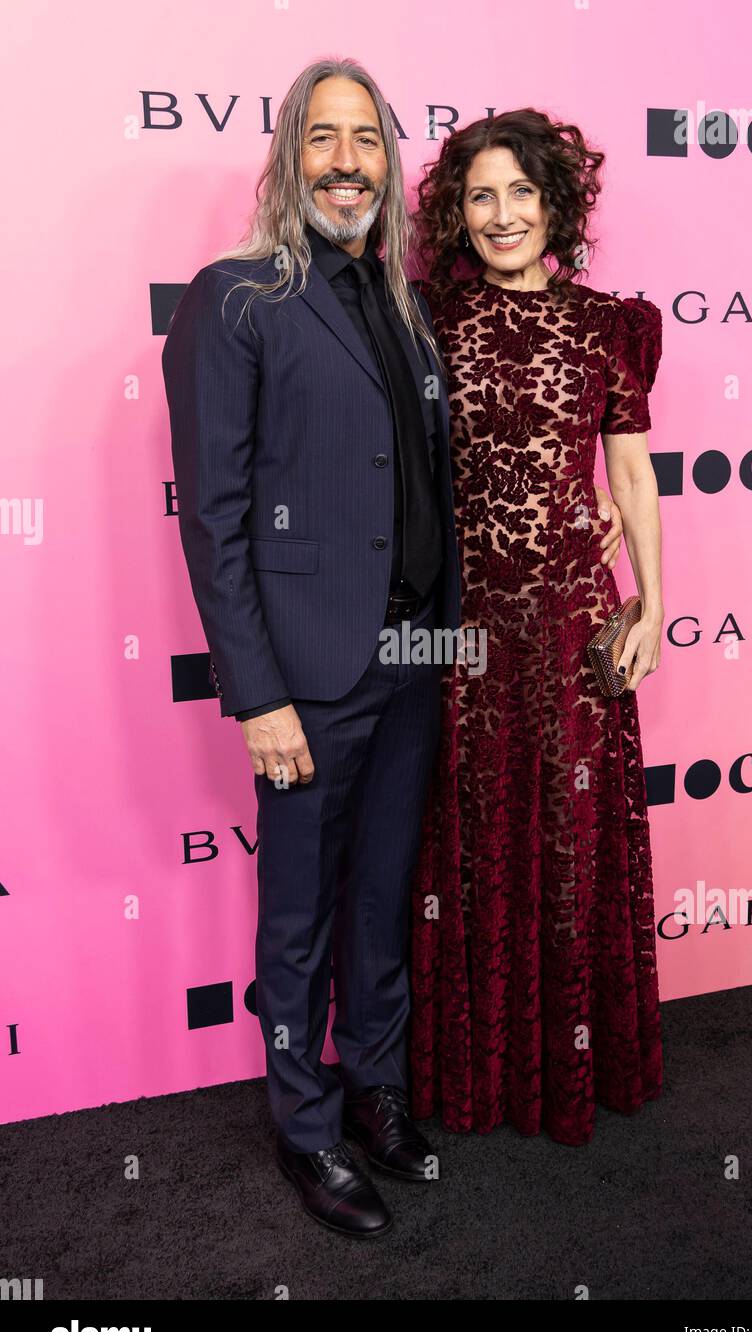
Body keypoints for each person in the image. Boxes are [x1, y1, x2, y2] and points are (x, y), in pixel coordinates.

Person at [161, 58, 466, 1239]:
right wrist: (259, 695)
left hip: (409, 662)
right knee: (297, 915)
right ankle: (304, 1123)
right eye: (322, 137)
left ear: (390, 166)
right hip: (304, 679)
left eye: (368, 141)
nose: (347, 160)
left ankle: (374, 1088)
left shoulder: (408, 304)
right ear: (288, 156)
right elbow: (215, 517)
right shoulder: (233, 297)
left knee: (382, 896)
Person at [409, 108, 665, 1146]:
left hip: (570, 628)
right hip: (461, 632)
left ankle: (570, 1070)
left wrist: (652, 600)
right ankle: (473, 1077)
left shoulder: (611, 325)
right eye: (479, 194)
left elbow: (632, 473)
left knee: (569, 846)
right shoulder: (424, 317)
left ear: (555, 204)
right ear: (454, 215)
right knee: (465, 850)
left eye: (520, 192)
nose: (501, 214)